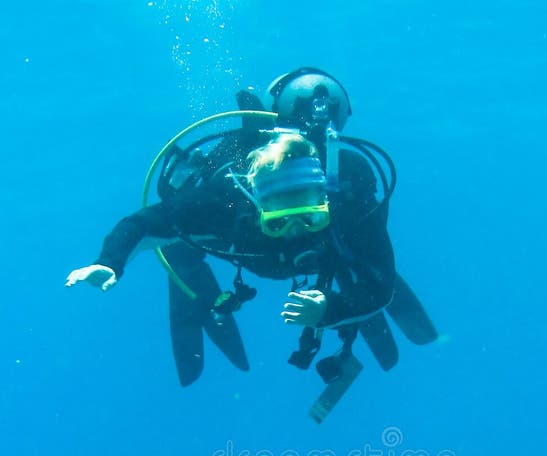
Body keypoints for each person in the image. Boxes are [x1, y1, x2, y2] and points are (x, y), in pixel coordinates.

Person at [66, 68, 437, 420]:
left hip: (334, 245)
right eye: (279, 221)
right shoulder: (225, 200)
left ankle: (341, 264)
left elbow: (381, 282)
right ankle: (188, 263)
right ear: (255, 202)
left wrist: (332, 308)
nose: (295, 230)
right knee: (180, 243)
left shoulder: (348, 191)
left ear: (327, 201)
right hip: (228, 233)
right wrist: (112, 261)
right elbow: (144, 223)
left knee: (351, 249)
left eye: (310, 217)